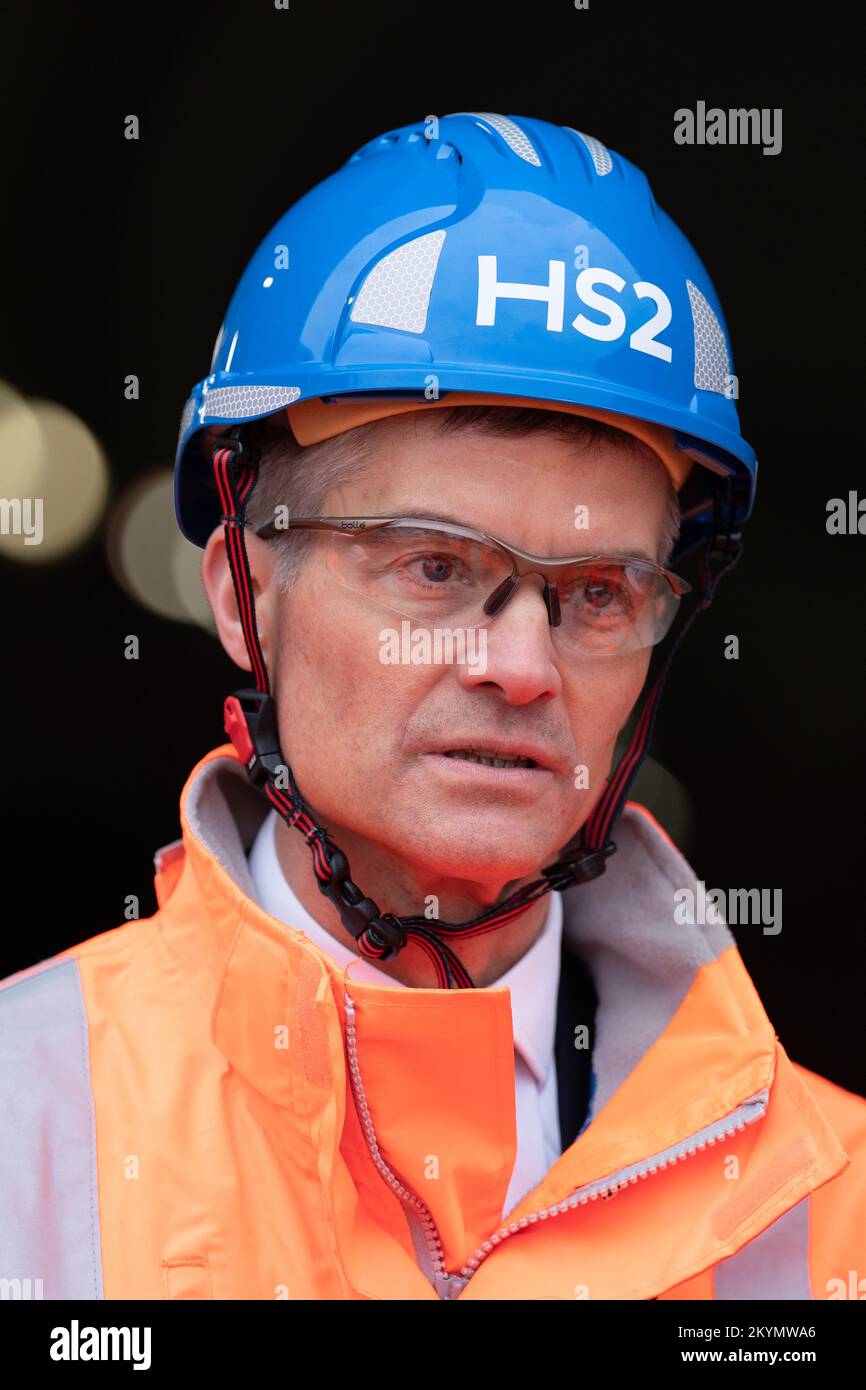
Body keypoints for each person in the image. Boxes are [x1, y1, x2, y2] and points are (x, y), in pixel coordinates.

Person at [2, 112, 864, 1302]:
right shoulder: (25, 1112)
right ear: (246, 597)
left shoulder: (826, 1199)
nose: (522, 666)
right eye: (434, 565)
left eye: (599, 591)